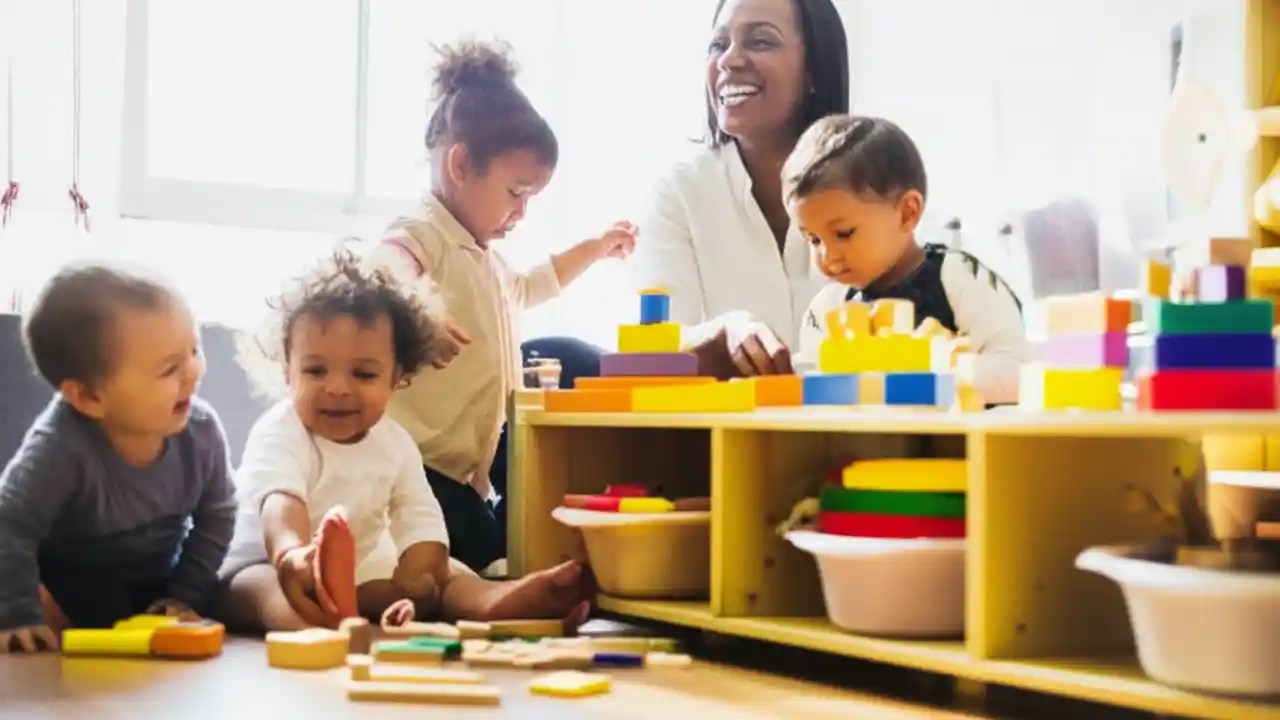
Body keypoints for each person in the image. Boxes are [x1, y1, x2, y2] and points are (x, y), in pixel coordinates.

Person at [211, 250, 594, 631]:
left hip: (358, 566)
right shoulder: (280, 430)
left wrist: (423, 565)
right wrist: (291, 552)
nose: (338, 388)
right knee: (262, 590)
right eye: (315, 370)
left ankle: (493, 600)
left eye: (363, 374)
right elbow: (280, 502)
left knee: (450, 570)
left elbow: (418, 510)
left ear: (397, 378)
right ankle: (315, 623)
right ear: (288, 372)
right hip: (265, 562)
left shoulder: (395, 442)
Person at [363, 40, 636, 573]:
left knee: (500, 553)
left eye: (531, 198)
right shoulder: (425, 235)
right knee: (477, 559)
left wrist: (595, 248)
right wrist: (422, 315)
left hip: (460, 470)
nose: (521, 212)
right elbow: (383, 272)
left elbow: (536, 284)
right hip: (414, 464)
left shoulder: (485, 259)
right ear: (461, 164)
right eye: (516, 192)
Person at [0, 264, 236, 652]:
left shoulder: (201, 430)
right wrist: (18, 613)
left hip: (158, 578)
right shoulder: (61, 445)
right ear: (90, 398)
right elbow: (10, 522)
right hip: (68, 580)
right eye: (170, 369)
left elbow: (219, 515)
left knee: (226, 591)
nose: (193, 373)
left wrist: (184, 595)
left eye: (194, 350)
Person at [635, 0, 849, 378]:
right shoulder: (680, 191)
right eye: (719, 45)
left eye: (761, 42)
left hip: (859, 428)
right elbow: (652, 346)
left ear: (815, 69)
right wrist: (722, 330)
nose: (729, 61)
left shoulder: (872, 185)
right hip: (724, 435)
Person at [785, 115, 1030, 404]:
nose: (827, 256)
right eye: (813, 239)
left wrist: (931, 372)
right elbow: (813, 384)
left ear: (907, 213)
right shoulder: (829, 307)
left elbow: (1019, 374)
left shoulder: (958, 278)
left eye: (844, 233)